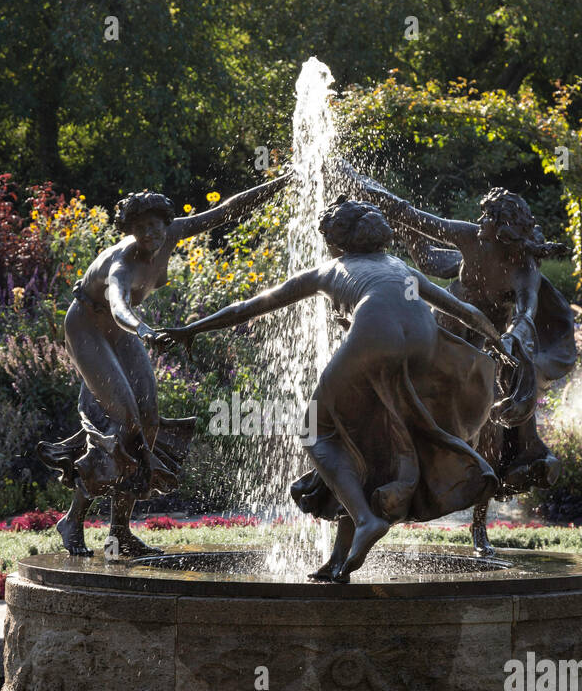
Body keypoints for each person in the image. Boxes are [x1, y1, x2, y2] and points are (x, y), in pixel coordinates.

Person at [156, 197, 517, 582]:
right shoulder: (402, 269)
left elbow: (251, 306)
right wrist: (501, 344)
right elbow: (469, 313)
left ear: (336, 241)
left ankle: (366, 520)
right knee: (357, 444)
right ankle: (339, 561)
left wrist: (190, 329)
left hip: (377, 334)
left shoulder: (331, 268)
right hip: (424, 340)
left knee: (314, 430)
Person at [38, 172, 289, 557]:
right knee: (124, 422)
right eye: (140, 229)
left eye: (154, 226)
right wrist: (143, 329)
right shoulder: (121, 265)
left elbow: (225, 211)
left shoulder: (173, 233)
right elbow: (119, 306)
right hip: (89, 327)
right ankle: (73, 519)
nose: (149, 235)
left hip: (124, 329)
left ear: (165, 223)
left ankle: (119, 532)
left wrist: (280, 182)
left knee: (149, 421)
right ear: (132, 231)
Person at [339, 164, 577, 553]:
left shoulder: (523, 268)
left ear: (503, 231)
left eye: (488, 217)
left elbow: (526, 312)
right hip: (445, 333)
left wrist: (515, 340)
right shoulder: (469, 237)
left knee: (491, 427)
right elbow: (411, 216)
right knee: (407, 404)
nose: (479, 220)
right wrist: (361, 183)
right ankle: (379, 485)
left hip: (487, 345)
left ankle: (479, 525)